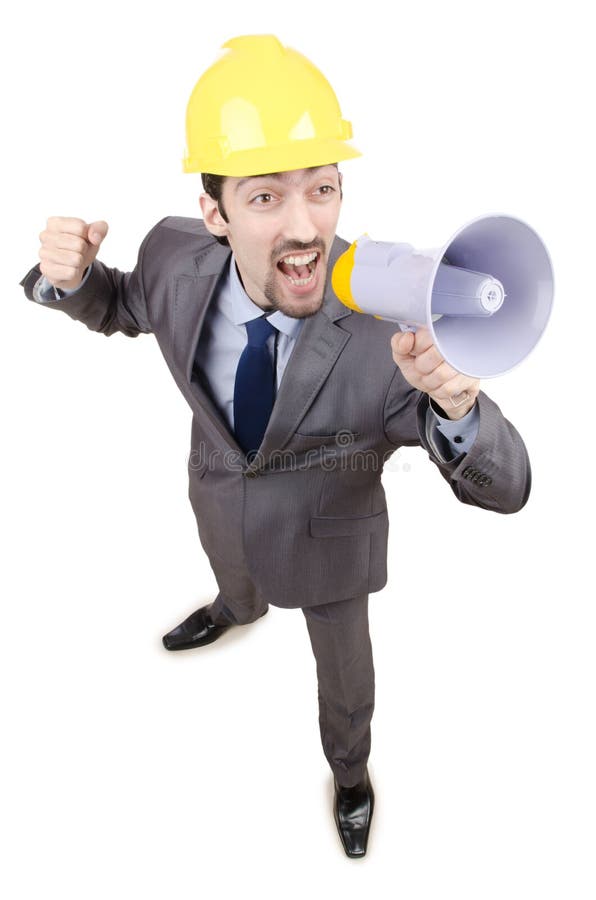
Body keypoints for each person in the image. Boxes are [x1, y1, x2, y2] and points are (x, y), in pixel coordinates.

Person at [19, 35, 530, 859]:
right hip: (220, 500)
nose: (307, 229)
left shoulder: (388, 337)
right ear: (215, 212)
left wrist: (460, 402)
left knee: (347, 684)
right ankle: (236, 606)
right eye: (265, 199)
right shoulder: (172, 255)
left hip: (333, 553)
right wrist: (74, 280)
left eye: (323, 190)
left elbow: (508, 487)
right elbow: (123, 305)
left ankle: (353, 775)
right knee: (237, 576)